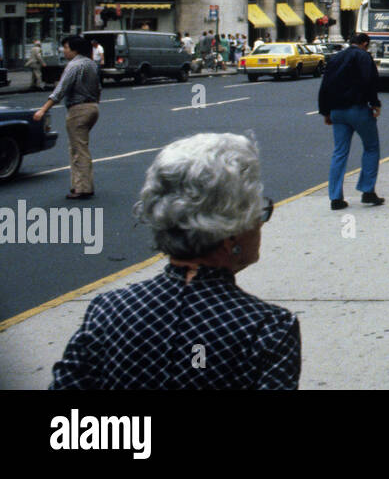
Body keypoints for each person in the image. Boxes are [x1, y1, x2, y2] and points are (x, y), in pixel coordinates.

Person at [50, 133, 300, 389]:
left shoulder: (108, 312)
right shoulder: (268, 329)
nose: (260, 222)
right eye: (259, 212)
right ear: (231, 233)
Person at [317, 32, 384, 210]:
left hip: (337, 111)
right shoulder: (364, 57)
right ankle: (367, 191)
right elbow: (370, 81)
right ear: (365, 43)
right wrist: (375, 103)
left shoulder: (335, 58)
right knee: (371, 147)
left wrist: (326, 112)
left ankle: (335, 197)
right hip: (358, 109)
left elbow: (325, 85)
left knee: (339, 152)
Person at [32, 34, 101, 199]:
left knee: (78, 150)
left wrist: (43, 110)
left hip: (78, 109)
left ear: (75, 50)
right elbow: (99, 88)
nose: (64, 51)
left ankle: (83, 188)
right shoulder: (91, 64)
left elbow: (60, 90)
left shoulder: (74, 65)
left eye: (66, 47)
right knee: (79, 147)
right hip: (93, 107)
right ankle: (78, 184)